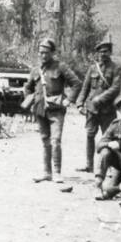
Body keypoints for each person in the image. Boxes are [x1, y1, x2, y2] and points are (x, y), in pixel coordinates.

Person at [22, 37, 81, 183]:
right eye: (41, 52)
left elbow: (76, 83)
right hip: (40, 109)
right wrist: (31, 100)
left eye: (46, 53)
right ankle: (46, 172)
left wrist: (69, 100)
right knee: (45, 140)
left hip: (56, 111)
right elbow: (28, 87)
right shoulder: (36, 70)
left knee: (56, 141)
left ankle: (57, 173)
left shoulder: (60, 67)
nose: (43, 55)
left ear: (52, 53)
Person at [76, 40, 121, 174]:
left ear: (110, 52)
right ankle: (89, 165)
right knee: (90, 135)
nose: (103, 54)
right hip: (92, 109)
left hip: (108, 110)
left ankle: (108, 167)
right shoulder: (93, 68)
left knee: (108, 138)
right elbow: (85, 88)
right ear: (98, 53)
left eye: (106, 51)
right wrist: (79, 103)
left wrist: (100, 99)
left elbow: (116, 88)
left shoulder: (116, 68)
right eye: (101, 51)